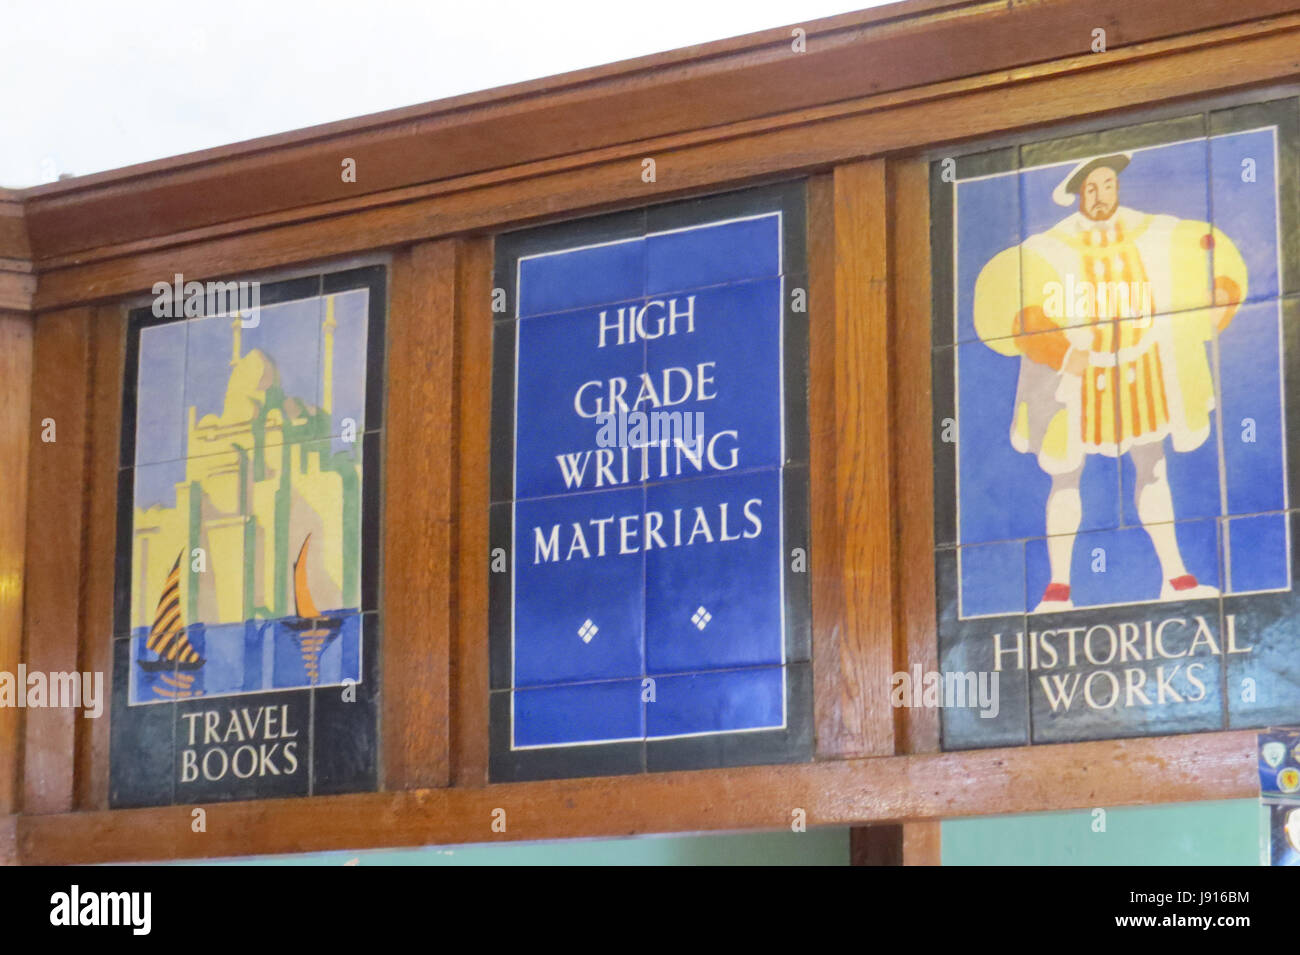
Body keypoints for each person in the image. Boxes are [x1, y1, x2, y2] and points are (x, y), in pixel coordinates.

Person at [973, 153, 1248, 612]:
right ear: (1080, 192)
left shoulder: (1156, 232)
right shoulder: (1047, 249)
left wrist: (1219, 299)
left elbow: (1213, 256)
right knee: (1065, 477)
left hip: (1142, 371)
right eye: (1093, 187)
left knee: (1153, 466)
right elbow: (1004, 303)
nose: (1102, 195)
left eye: (1108, 184)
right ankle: (1058, 590)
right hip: (1073, 380)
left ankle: (1176, 579)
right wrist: (1059, 352)